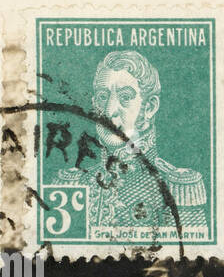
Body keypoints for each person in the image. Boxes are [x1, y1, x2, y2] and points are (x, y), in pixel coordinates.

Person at [51, 49, 207, 230]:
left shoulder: (177, 187)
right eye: (103, 97)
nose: (109, 111)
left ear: (149, 107)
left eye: (125, 97)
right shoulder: (72, 183)